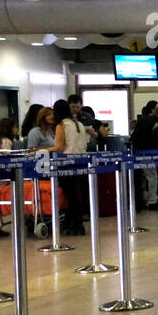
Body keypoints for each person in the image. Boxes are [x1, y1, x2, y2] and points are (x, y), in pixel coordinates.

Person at [52, 99, 89, 235]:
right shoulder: (79, 124)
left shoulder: (61, 125)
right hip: (81, 161)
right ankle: (73, 224)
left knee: (70, 196)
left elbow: (60, 147)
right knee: (77, 195)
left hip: (66, 163)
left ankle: (74, 224)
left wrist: (43, 150)